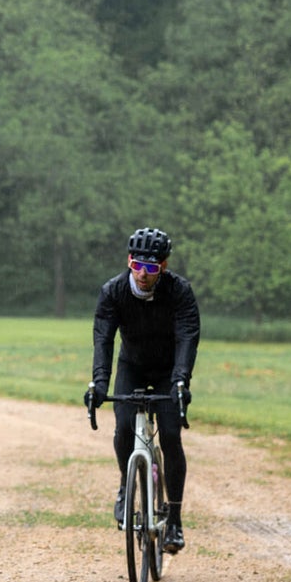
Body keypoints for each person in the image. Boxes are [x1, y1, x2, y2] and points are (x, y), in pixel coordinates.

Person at [85, 227, 200, 553]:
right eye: (138, 266)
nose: (143, 274)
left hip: (167, 371)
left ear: (163, 267)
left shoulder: (179, 292)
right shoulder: (112, 292)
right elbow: (103, 340)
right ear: (129, 261)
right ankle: (126, 485)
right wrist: (99, 384)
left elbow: (187, 338)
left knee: (171, 435)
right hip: (132, 366)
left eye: (151, 268)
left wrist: (181, 381)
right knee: (122, 428)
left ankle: (174, 520)